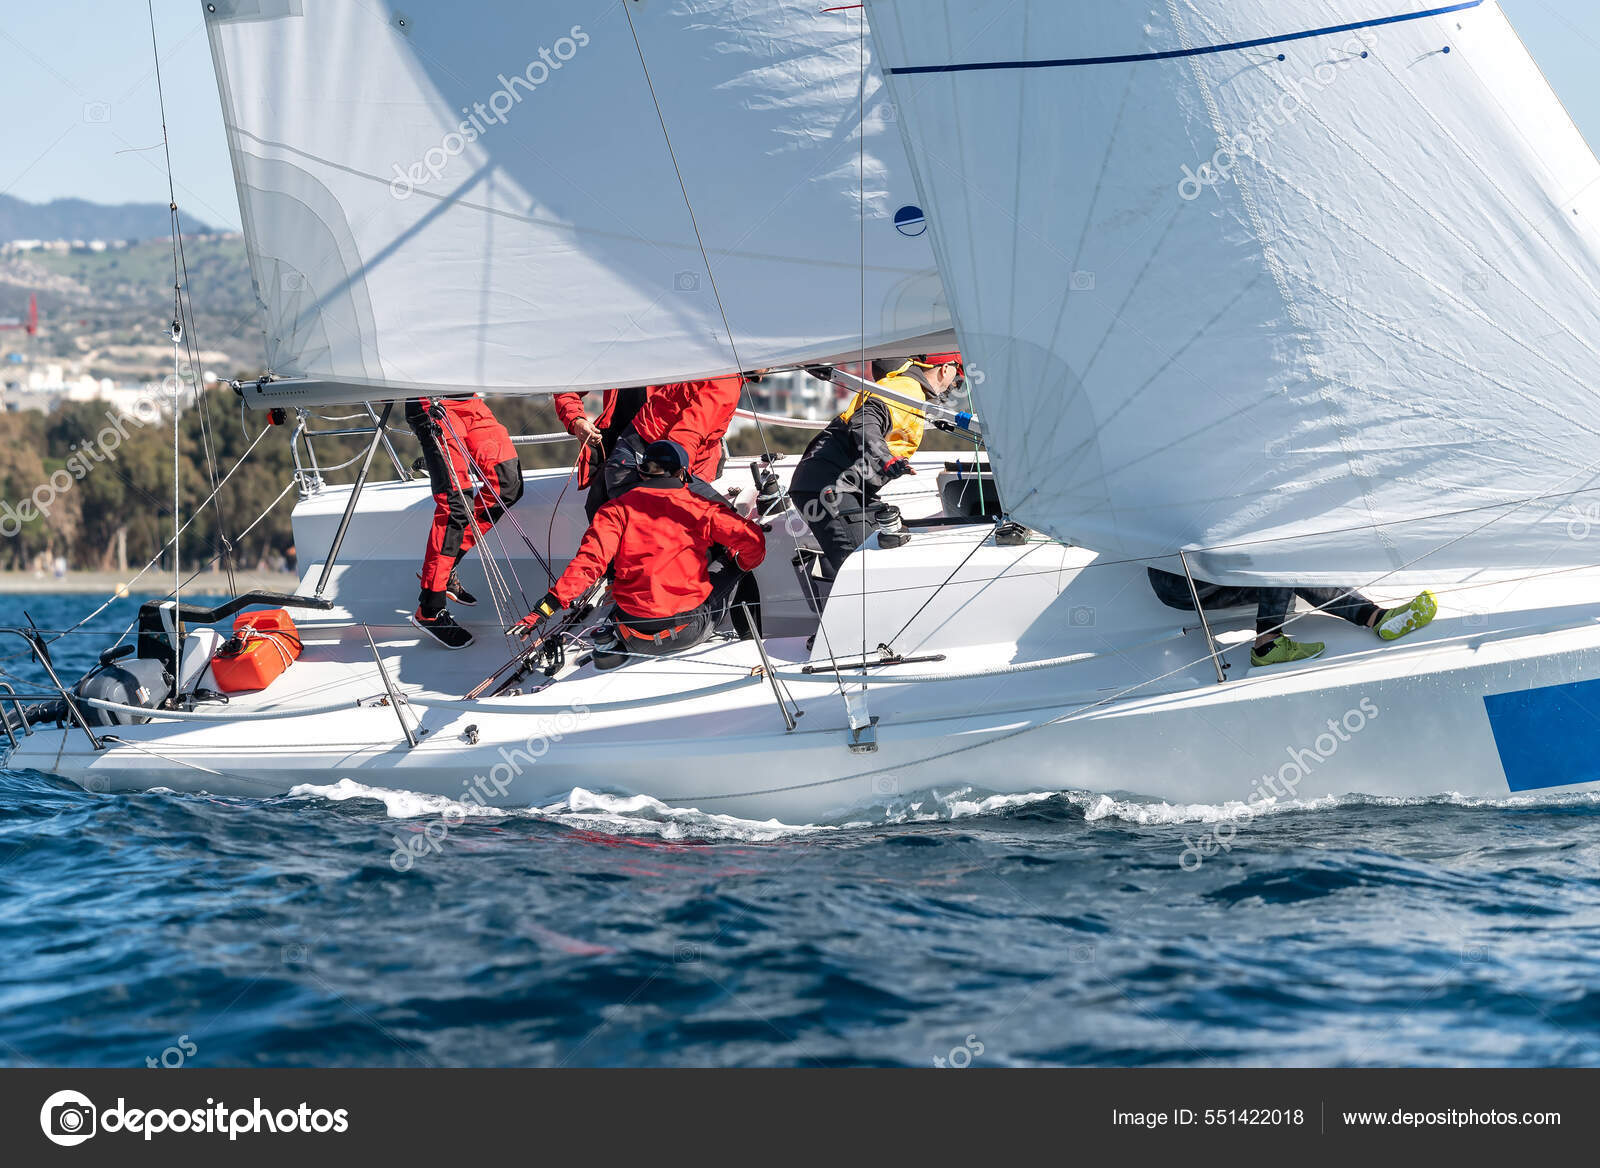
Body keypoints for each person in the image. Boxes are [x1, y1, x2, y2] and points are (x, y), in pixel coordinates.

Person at [514, 440, 766, 669]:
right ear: (682, 474)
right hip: (689, 630)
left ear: (642, 472)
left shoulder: (614, 511)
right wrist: (739, 562)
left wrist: (544, 609)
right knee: (736, 564)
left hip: (632, 636)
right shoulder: (701, 508)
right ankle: (751, 646)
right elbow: (754, 543)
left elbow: (589, 563)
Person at [788, 354, 964, 579]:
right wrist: (887, 460)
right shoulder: (906, 388)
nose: (954, 383)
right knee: (864, 570)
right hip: (829, 485)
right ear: (945, 369)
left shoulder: (905, 388)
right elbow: (865, 421)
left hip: (844, 485)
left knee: (890, 547)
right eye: (957, 374)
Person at [405, 394, 525, 649]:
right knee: (455, 506)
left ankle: (445, 568)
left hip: (466, 397)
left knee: (507, 487)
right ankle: (430, 608)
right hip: (430, 400)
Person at [1145, 567, 1438, 667]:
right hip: (1177, 578)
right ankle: (1267, 644)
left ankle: (1378, 618)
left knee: (1290, 566)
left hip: (1195, 577)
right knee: (1274, 556)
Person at [552, 385, 651, 520]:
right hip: (617, 449)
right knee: (598, 508)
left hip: (666, 455)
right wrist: (576, 420)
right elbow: (568, 386)